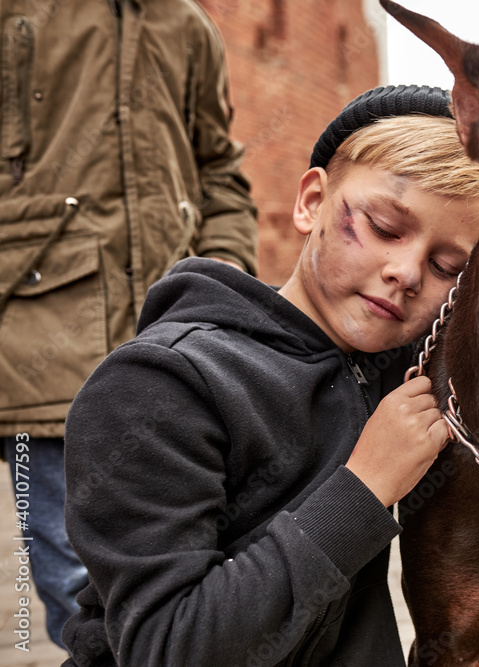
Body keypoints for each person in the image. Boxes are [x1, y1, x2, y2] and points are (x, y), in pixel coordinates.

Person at [61, 84, 479, 665]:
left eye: (447, 267)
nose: (407, 272)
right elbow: (170, 646)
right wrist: (364, 488)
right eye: (386, 227)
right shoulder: (158, 385)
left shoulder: (406, 377)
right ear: (312, 201)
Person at [0, 0, 257, 650]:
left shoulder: (188, 26)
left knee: (191, 576)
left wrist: (220, 269)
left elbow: (219, 171)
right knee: (76, 589)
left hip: (180, 346)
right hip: (41, 351)